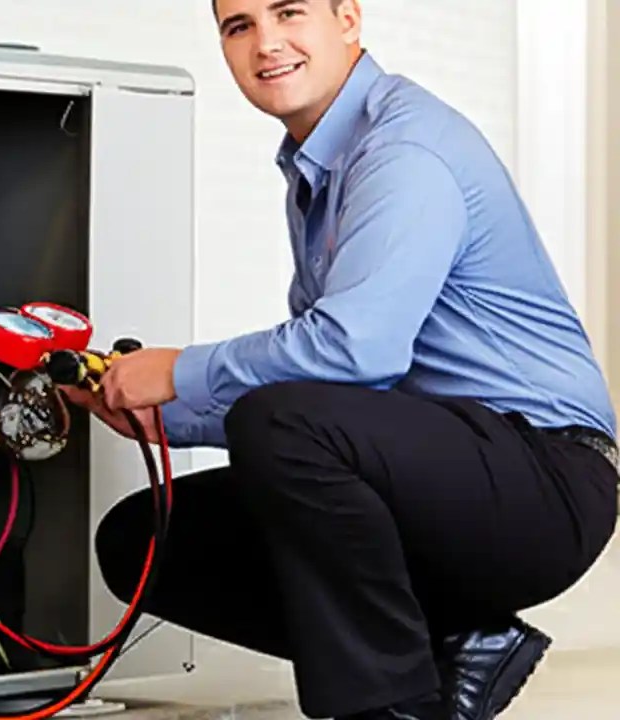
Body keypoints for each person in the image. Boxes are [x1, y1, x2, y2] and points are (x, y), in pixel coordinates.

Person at [67, 1, 620, 719]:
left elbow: (356, 351)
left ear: (349, 19)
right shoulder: (321, 163)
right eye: (238, 26)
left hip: (545, 478)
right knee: (142, 541)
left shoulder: (402, 151)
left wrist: (178, 372)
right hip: (445, 468)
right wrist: (163, 416)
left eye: (288, 11)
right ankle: (456, 642)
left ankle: (390, 707)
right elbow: (338, 388)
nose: (266, 43)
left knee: (284, 421)